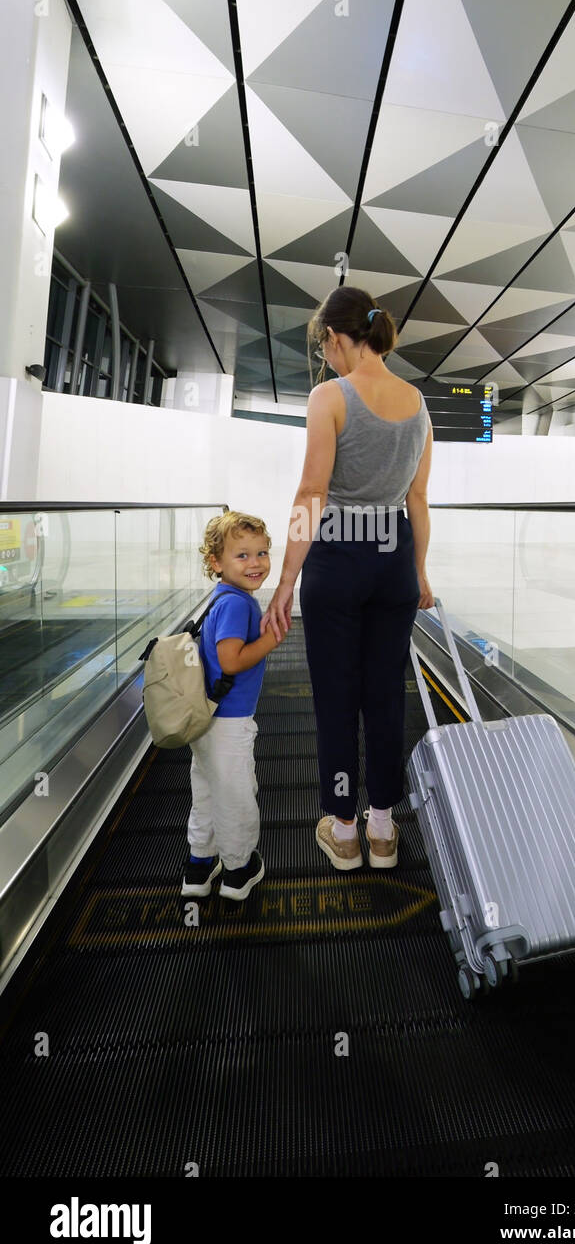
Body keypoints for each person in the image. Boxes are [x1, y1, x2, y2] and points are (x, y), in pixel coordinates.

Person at [261, 286, 434, 871]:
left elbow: (312, 493)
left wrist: (285, 581)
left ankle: (343, 830)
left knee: (337, 696)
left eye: (324, 346)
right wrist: (419, 574)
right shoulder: (418, 401)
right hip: (394, 560)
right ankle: (383, 829)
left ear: (336, 338)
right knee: (386, 694)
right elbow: (417, 499)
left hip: (338, 557)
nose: (326, 358)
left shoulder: (329, 396)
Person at [181, 508, 288, 900]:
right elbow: (232, 660)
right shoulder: (238, 604)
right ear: (216, 562)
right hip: (230, 721)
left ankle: (199, 866)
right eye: (241, 555)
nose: (255, 563)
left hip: (207, 718)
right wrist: (271, 640)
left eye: (261, 553)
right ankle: (239, 870)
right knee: (236, 793)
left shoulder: (221, 597)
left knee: (207, 789)